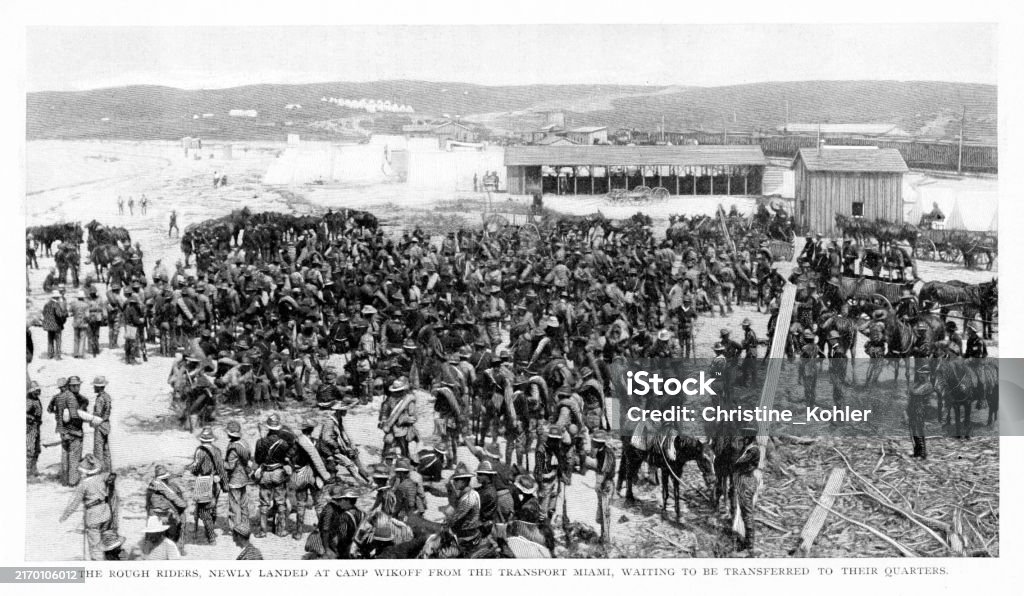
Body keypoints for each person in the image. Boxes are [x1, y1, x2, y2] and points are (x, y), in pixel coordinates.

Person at [59, 454, 113, 560]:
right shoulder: (102, 477)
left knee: (95, 547)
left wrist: (65, 515)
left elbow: (75, 503)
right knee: (106, 541)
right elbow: (102, 468)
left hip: (93, 515)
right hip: (106, 512)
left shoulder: (84, 484)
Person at [185, 426, 228, 545]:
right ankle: (211, 532)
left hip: (204, 482)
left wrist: (191, 469)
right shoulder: (217, 451)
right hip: (216, 482)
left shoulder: (200, 451)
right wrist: (224, 485)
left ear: (201, 440)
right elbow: (221, 469)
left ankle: (211, 537)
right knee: (212, 508)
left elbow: (195, 468)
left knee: (204, 511)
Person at [254, 414, 294, 538]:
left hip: (265, 473)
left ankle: (262, 531)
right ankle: (281, 530)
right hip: (278, 472)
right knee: (281, 502)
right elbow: (288, 456)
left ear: (268, 427)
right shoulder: (284, 443)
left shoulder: (260, 442)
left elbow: (258, 459)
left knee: (264, 503)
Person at [146, 464, 188, 555]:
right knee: (181, 520)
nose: (166, 479)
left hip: (156, 513)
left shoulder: (152, 486)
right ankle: (178, 548)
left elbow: (148, 504)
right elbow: (179, 502)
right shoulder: (166, 488)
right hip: (165, 514)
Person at [584, 429, 616, 545]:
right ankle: (603, 536)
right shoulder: (602, 451)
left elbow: (603, 471)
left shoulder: (605, 453)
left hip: (606, 484)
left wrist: (597, 484)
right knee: (602, 512)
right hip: (605, 483)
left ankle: (605, 539)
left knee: (605, 512)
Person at [318, 485, 364, 559]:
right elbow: (325, 530)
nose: (340, 502)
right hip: (347, 545)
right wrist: (327, 549)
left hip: (343, 547)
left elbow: (341, 536)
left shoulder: (344, 513)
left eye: (341, 499)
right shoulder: (330, 509)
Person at [223, 420, 253, 534]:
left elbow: (230, 466)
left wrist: (220, 463)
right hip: (244, 477)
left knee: (234, 505)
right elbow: (248, 457)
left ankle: (235, 528)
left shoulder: (233, 448)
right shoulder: (244, 443)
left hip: (234, 479)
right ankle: (245, 525)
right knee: (244, 503)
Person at [446, 463, 481, 552]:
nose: (454, 482)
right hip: (468, 530)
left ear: (464, 481)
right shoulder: (471, 493)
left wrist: (446, 525)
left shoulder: (468, 498)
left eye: (457, 480)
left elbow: (456, 518)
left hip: (467, 534)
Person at [907, 366, 933, 459]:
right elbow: (911, 392)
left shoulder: (928, 385)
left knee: (918, 430)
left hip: (920, 409)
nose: (920, 375)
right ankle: (916, 452)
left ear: (927, 375)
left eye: (923, 374)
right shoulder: (917, 384)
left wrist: (911, 390)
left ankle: (922, 453)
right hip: (912, 408)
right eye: (919, 373)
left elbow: (915, 392)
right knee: (913, 430)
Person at [91, 376, 113, 472]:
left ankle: (99, 471)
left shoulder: (100, 398)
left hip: (100, 425)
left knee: (98, 450)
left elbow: (98, 414)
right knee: (106, 450)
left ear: (99, 387)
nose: (94, 388)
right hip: (106, 425)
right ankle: (108, 470)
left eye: (95, 386)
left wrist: (91, 419)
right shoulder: (107, 396)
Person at [42, 290, 67, 359]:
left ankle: (50, 354)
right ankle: (58, 355)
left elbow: (44, 313)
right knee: (58, 340)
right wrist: (65, 314)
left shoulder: (46, 304)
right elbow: (59, 314)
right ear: (56, 297)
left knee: (50, 340)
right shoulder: (56, 304)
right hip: (56, 325)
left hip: (48, 325)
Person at [27, 381, 43, 480]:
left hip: (36, 427)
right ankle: (28, 472)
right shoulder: (29, 401)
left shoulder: (37, 400)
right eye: (36, 391)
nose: (38, 392)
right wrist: (30, 418)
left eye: (38, 390)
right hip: (30, 428)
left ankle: (34, 469)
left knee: (37, 449)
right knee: (30, 449)